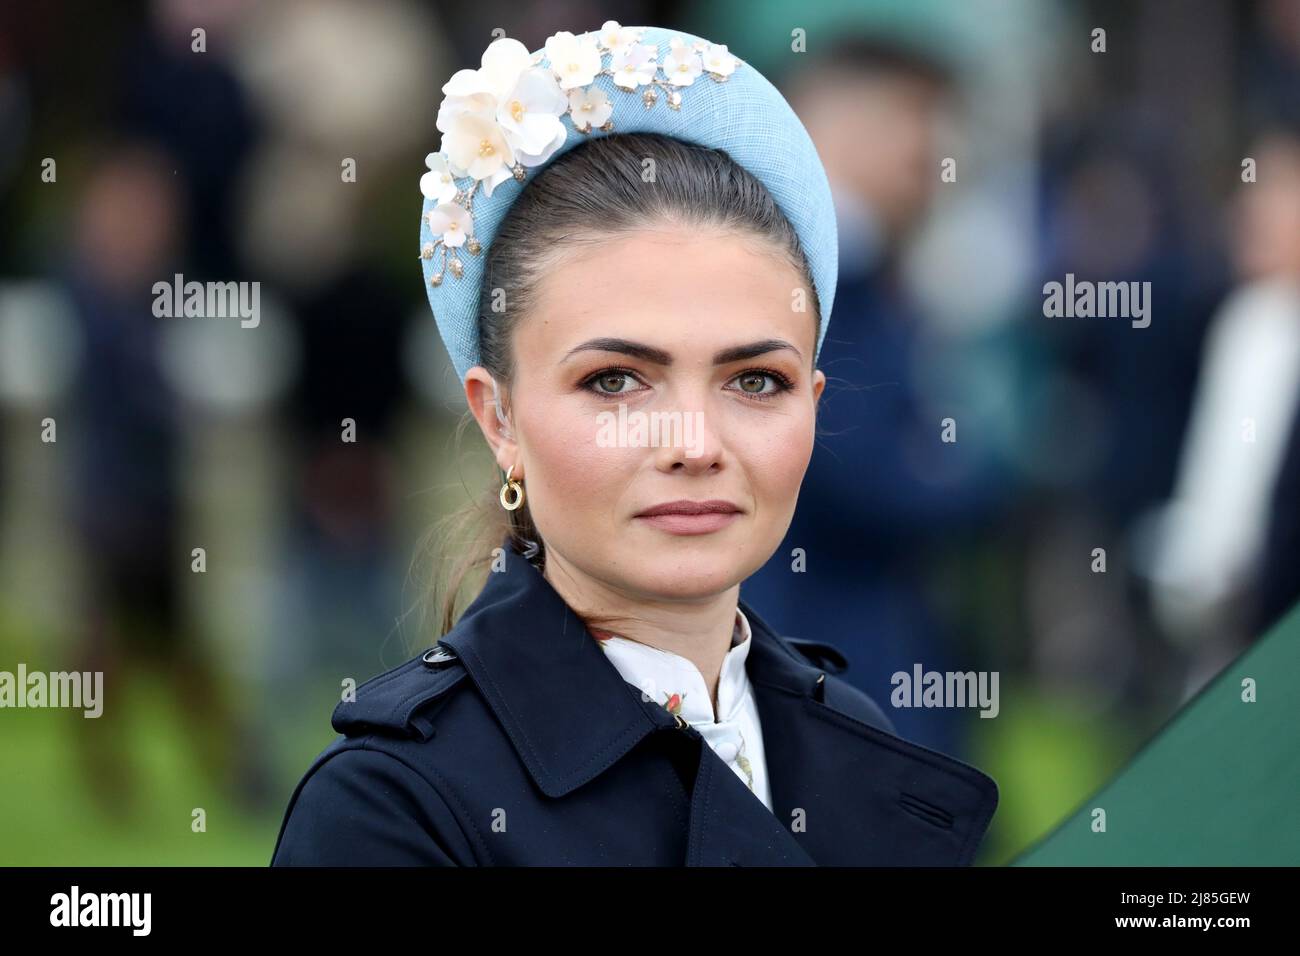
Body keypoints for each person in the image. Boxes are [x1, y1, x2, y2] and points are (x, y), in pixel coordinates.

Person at [271, 22, 998, 866]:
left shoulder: (856, 740)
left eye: (755, 381)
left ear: (814, 401)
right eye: (615, 380)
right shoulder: (395, 807)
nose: (694, 444)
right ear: (498, 418)